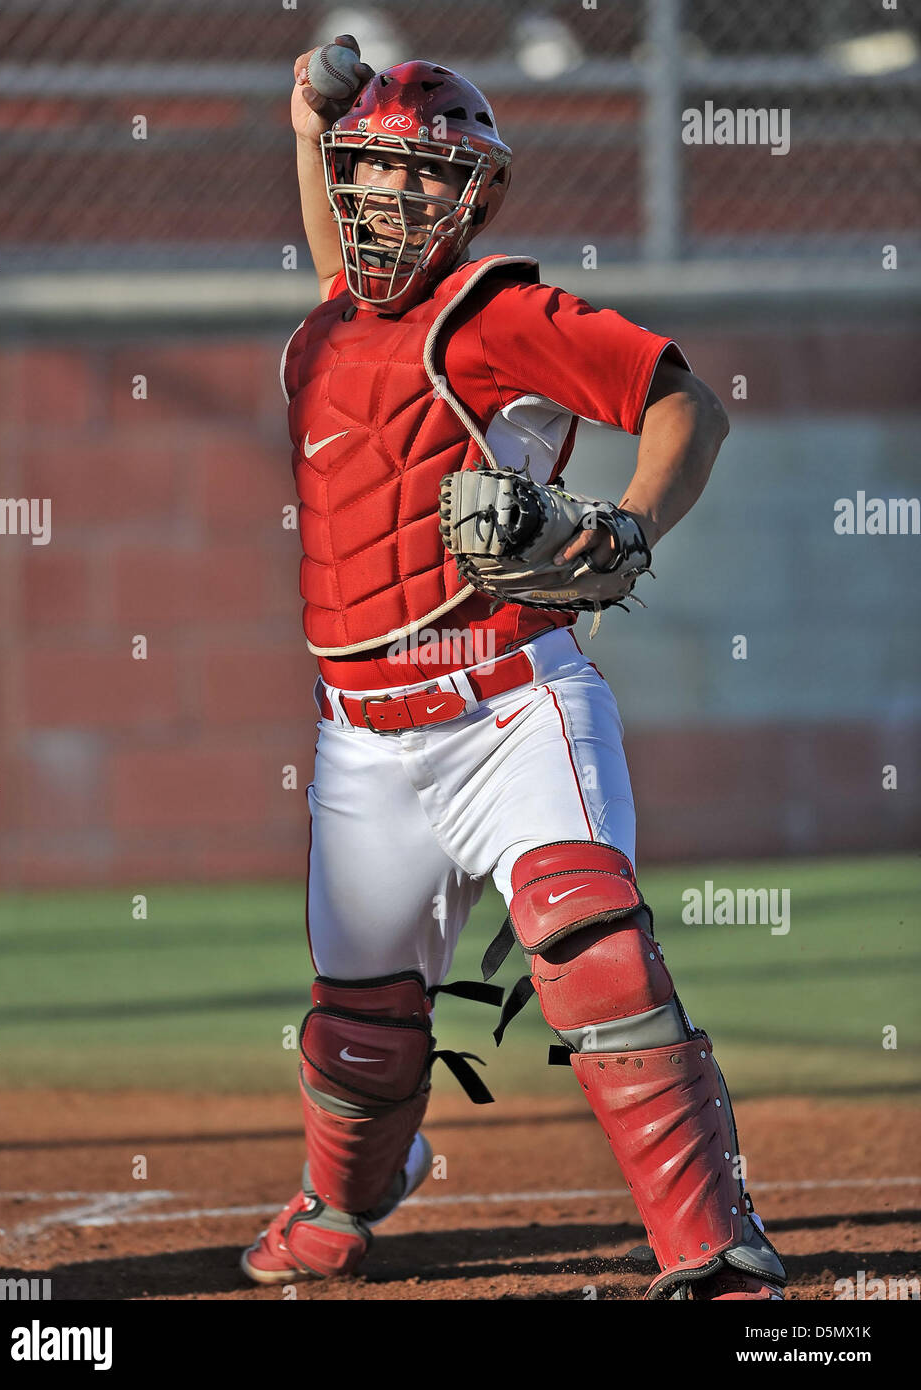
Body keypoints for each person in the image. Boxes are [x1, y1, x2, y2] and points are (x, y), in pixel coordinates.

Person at [240, 36, 787, 1300]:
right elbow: (342, 269)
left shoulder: (502, 316)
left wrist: (632, 525)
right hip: (360, 738)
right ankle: (340, 1199)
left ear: (476, 198)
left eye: (429, 176)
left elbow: (689, 405)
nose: (397, 196)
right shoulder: (328, 331)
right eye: (375, 171)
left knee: (590, 948)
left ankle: (714, 1247)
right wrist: (309, 130)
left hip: (509, 706)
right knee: (360, 1032)